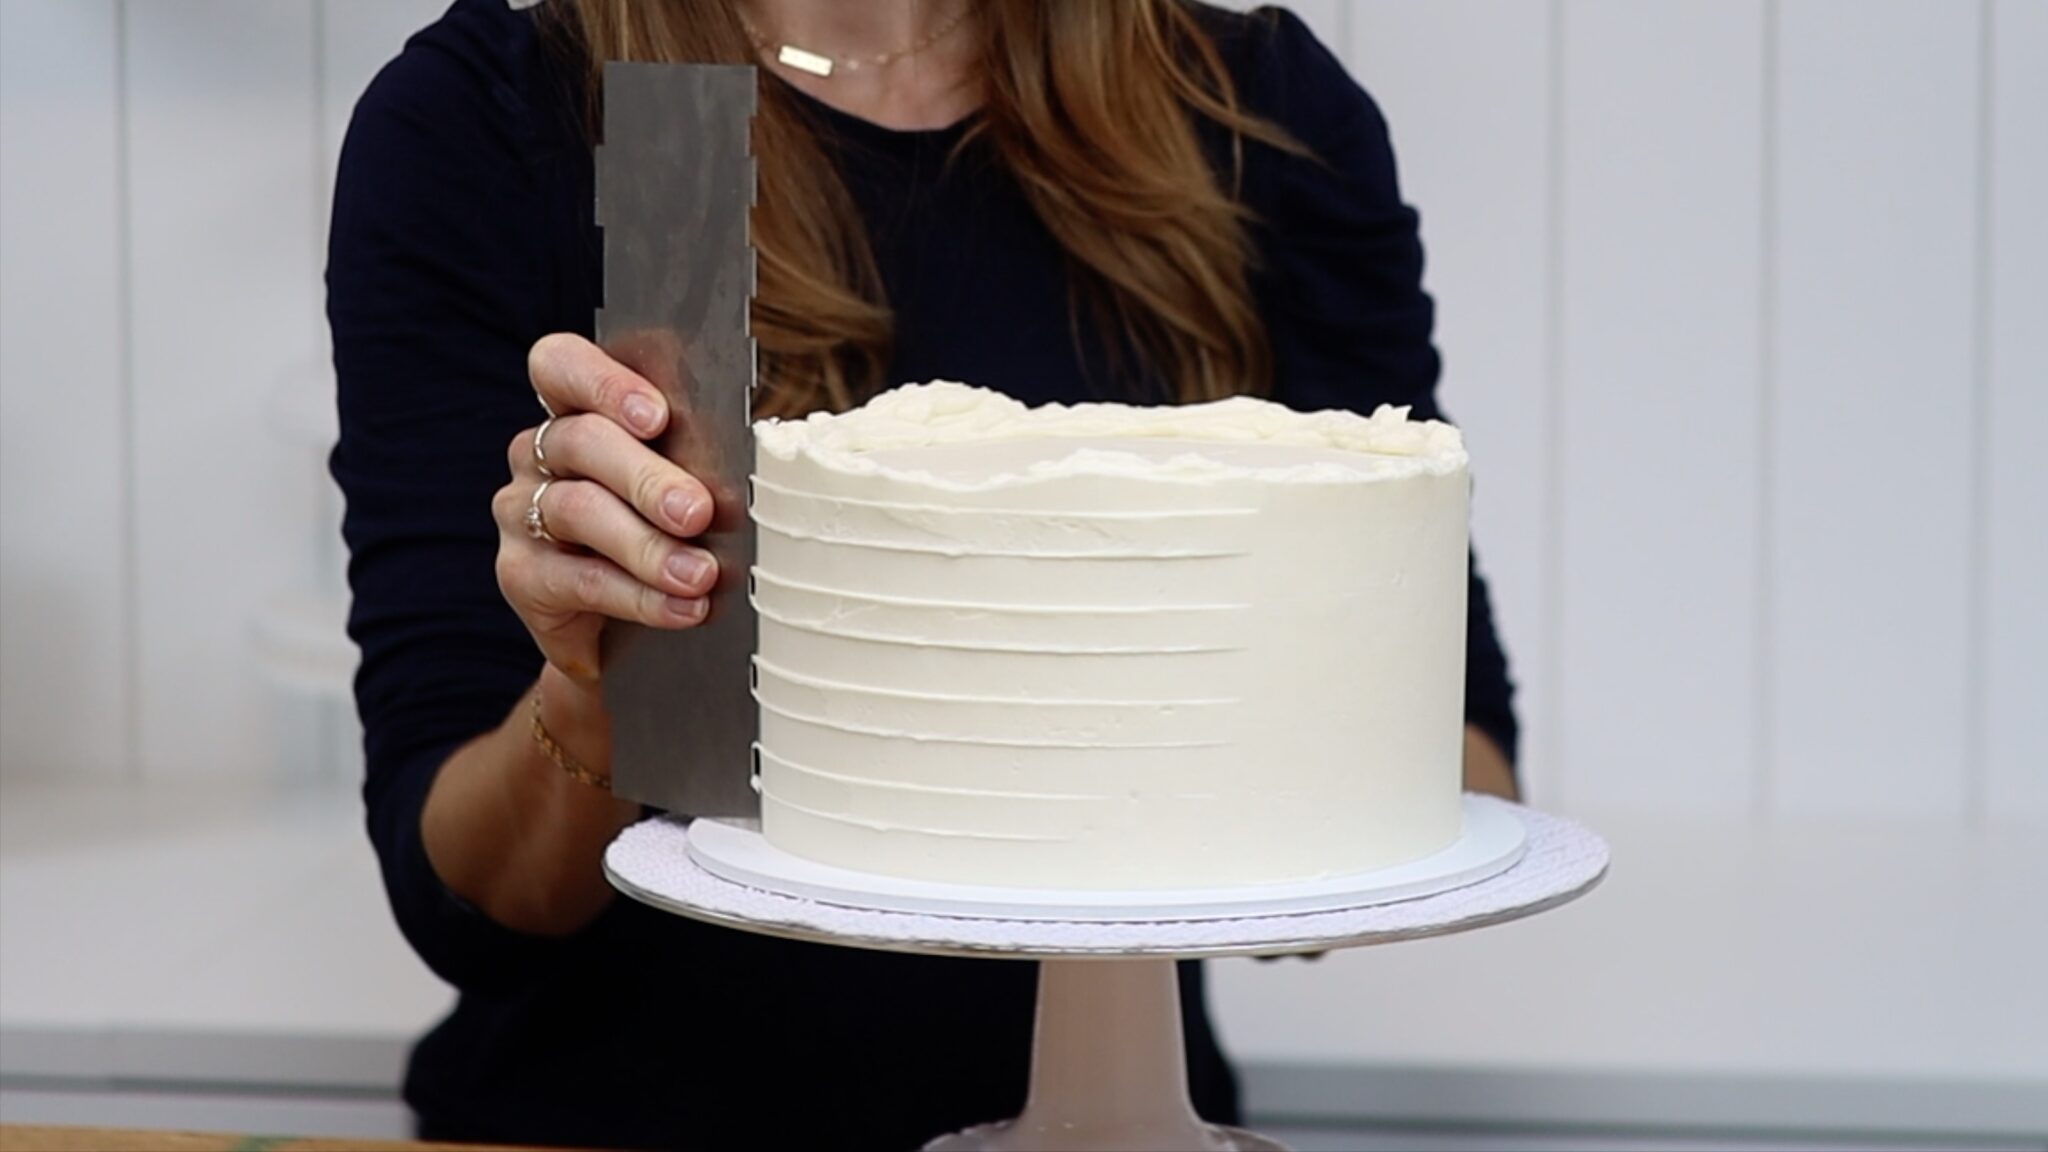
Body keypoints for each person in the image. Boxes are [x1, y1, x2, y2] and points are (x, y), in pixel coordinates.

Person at [328, 0, 1520, 1146]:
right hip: (614, 1126)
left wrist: (1204, 745)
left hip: (1119, 1121)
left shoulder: (1249, 107)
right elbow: (469, 904)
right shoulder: (497, 116)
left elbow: (1460, 763)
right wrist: (600, 683)